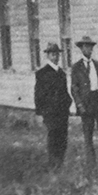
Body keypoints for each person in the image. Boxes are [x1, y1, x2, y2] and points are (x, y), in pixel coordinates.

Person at [70, 35, 98, 165]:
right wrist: (80, 104)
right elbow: (74, 88)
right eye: (86, 47)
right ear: (81, 49)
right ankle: (90, 161)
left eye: (90, 47)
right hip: (86, 102)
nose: (89, 49)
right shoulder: (76, 67)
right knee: (88, 133)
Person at [34, 42, 72, 170]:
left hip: (62, 112)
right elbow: (38, 95)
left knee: (63, 138)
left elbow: (65, 92)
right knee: (53, 138)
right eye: (52, 54)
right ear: (48, 56)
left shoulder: (61, 73)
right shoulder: (42, 73)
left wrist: (68, 103)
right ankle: (53, 165)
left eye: (56, 54)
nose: (55, 57)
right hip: (50, 113)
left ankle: (60, 163)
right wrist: (40, 113)